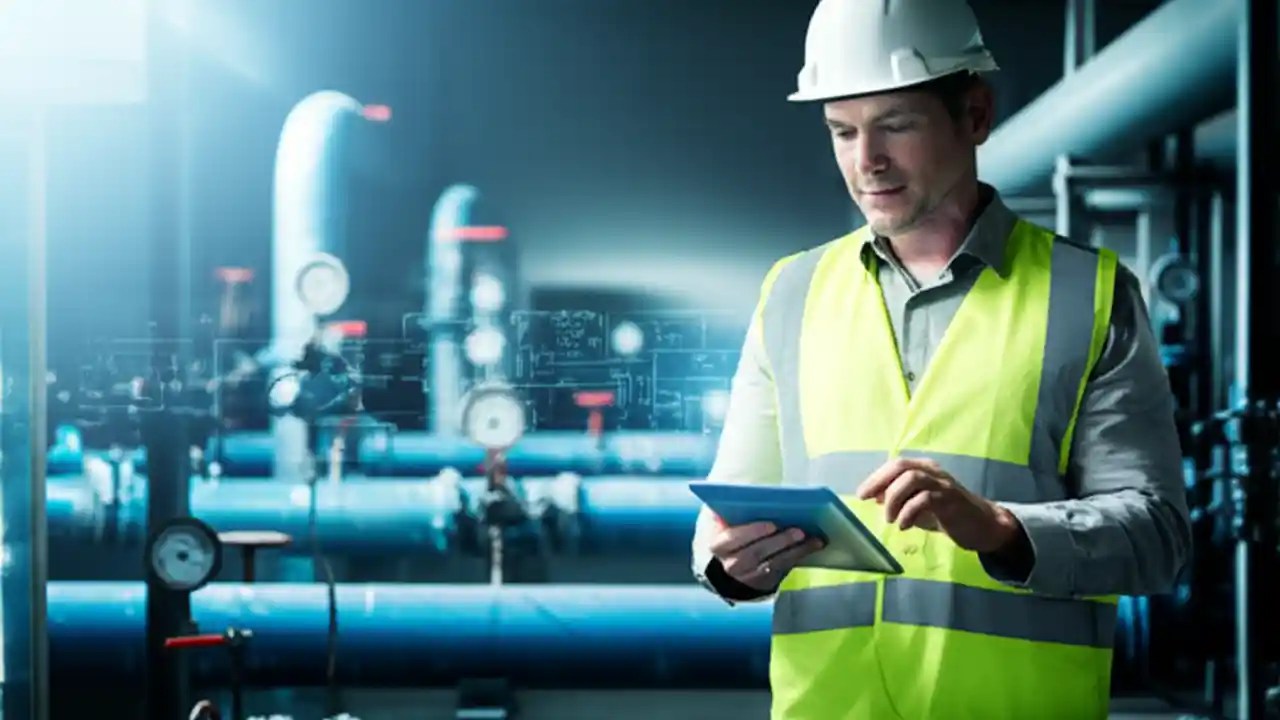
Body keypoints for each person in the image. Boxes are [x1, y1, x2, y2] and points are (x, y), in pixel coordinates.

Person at [688, 1, 1192, 718]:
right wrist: (730, 567)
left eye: (896, 124)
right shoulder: (791, 292)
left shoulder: (1090, 294)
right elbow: (725, 516)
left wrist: (1003, 530)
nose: (867, 162)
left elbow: (1158, 536)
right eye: (843, 131)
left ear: (976, 115)